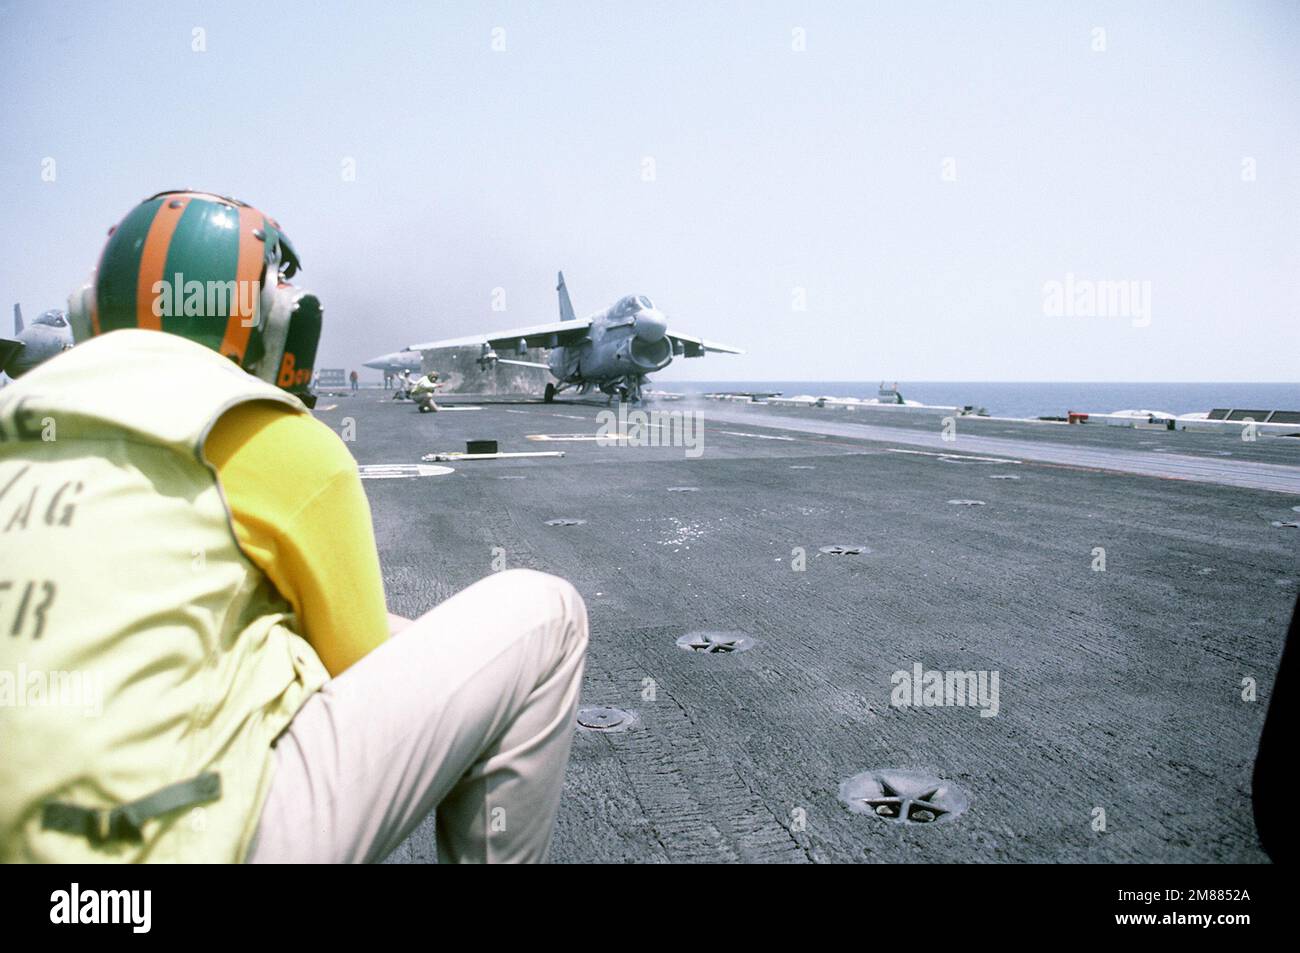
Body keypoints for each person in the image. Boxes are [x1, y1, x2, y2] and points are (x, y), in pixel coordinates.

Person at [0, 190, 588, 863]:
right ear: (267, 319)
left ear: (90, 309)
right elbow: (360, 664)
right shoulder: (257, 425)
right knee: (548, 611)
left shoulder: (20, 413)